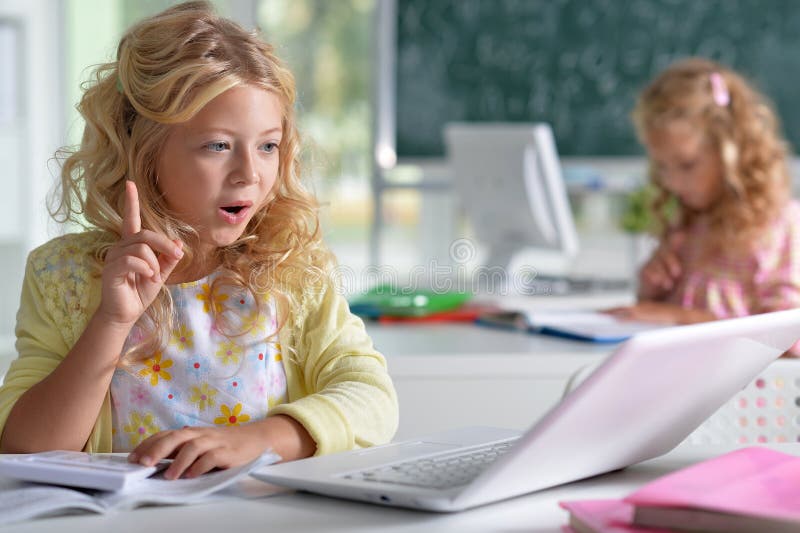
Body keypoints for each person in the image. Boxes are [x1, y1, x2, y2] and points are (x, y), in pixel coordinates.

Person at [0, 1, 398, 480]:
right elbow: (24, 448)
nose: (249, 174)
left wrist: (256, 439)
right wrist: (111, 321)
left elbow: (372, 397)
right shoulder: (62, 276)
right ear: (144, 151)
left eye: (268, 145)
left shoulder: (291, 268)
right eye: (218, 146)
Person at [608, 57, 800, 325]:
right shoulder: (688, 221)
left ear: (731, 152)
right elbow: (660, 316)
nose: (672, 183)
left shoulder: (780, 225)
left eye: (687, 165)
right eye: (662, 167)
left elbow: (790, 334)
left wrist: (680, 317)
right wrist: (652, 291)